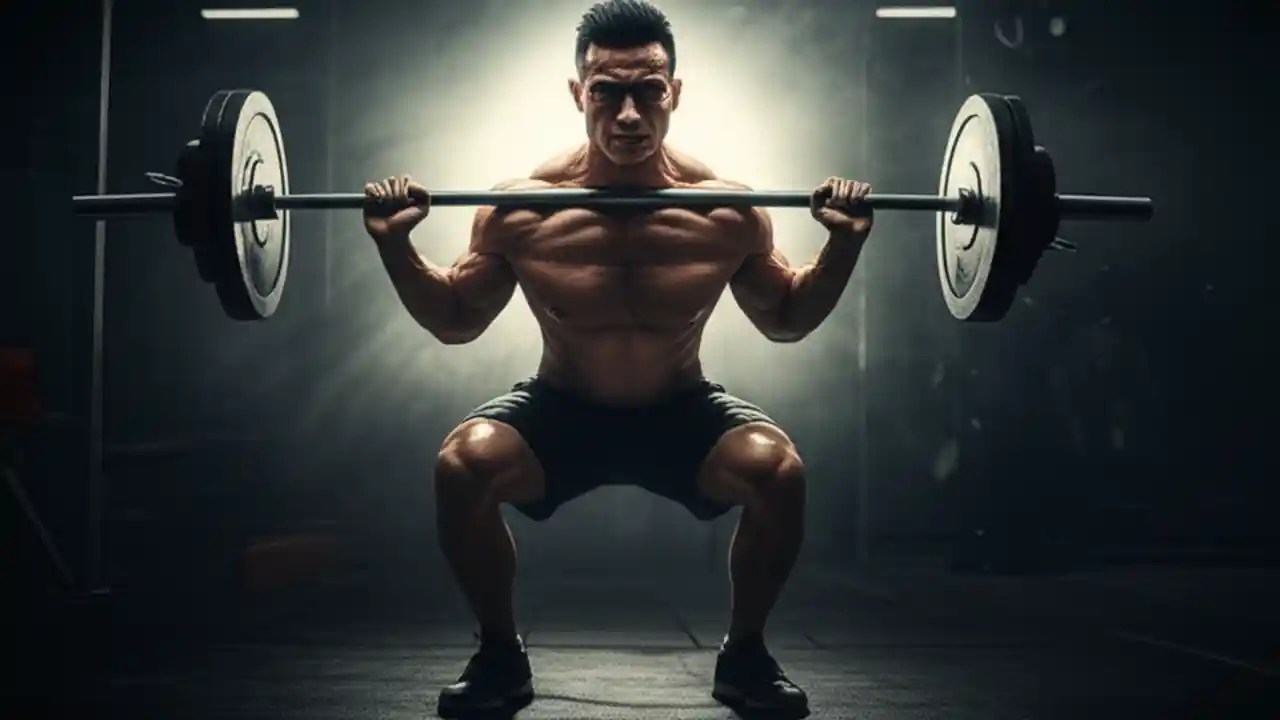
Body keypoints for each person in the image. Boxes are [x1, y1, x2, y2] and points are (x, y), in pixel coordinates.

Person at [362, 0, 872, 716]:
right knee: (462, 464)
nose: (628, 114)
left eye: (647, 90)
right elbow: (454, 321)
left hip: (680, 410)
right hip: (562, 407)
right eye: (607, 91)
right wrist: (395, 245)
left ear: (675, 94)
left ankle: (746, 657)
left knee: (778, 470)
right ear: (579, 94)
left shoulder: (727, 211)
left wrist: (843, 245)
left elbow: (786, 320)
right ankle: (499, 657)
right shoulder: (521, 209)